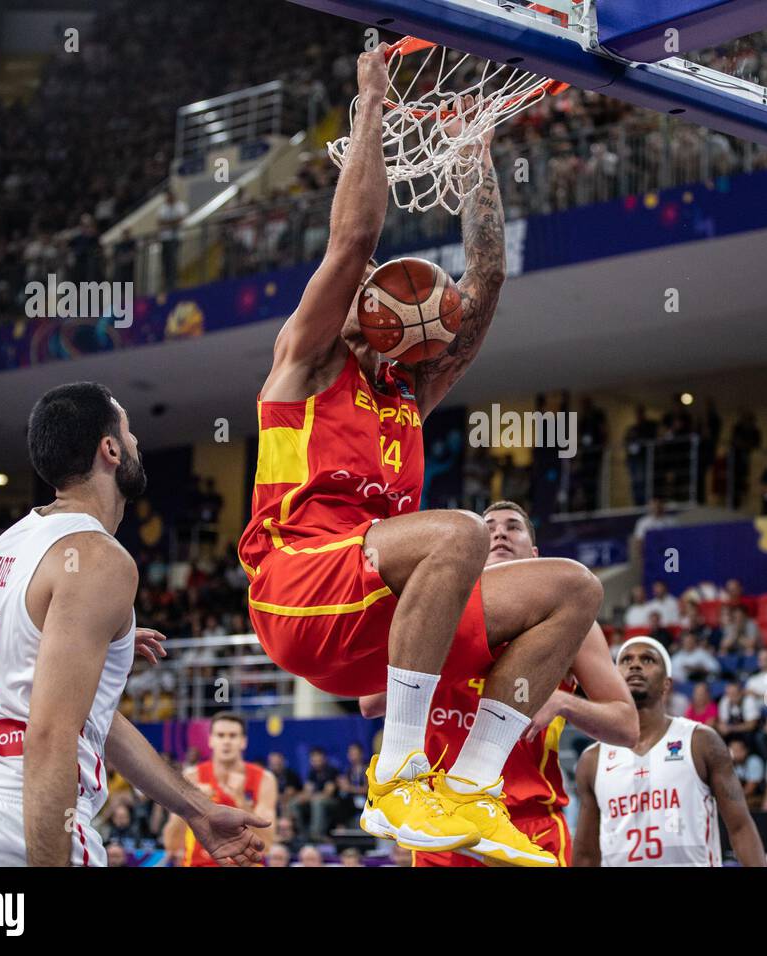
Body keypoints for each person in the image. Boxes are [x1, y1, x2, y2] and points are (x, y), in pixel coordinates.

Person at [237, 50, 602, 867]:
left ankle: (470, 784)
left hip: (380, 613)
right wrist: (369, 98)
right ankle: (399, 769)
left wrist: (471, 146)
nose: (370, 284)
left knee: (572, 589)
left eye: (379, 282)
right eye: (360, 282)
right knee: (461, 533)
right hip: (297, 586)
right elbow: (354, 235)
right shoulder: (302, 365)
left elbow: (488, 277)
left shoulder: (407, 393)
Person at [0, 384, 266, 866]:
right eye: (129, 434)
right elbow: (50, 735)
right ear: (109, 449)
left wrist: (195, 809)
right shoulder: (99, 558)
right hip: (14, 823)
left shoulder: (11, 541)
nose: (136, 446)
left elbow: (88, 715)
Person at [360, 500, 636, 867]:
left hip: (528, 824)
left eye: (513, 527)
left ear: (536, 555)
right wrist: (435, 654)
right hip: (442, 824)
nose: (500, 532)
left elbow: (627, 726)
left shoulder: (574, 625)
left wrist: (564, 703)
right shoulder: (434, 613)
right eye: (488, 527)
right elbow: (369, 702)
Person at [572, 637, 766, 867]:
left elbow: (740, 827)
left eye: (647, 659)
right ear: (615, 678)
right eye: (626, 660)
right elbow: (586, 853)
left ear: (667, 684)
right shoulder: (592, 760)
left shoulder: (700, 741)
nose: (635, 665)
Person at [163, 712, 278, 866]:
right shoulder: (192, 777)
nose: (226, 741)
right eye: (220, 735)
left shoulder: (264, 779)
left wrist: (241, 801)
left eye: (232, 736)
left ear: (243, 741)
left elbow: (267, 844)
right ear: (210, 740)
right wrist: (190, 802)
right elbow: (171, 844)